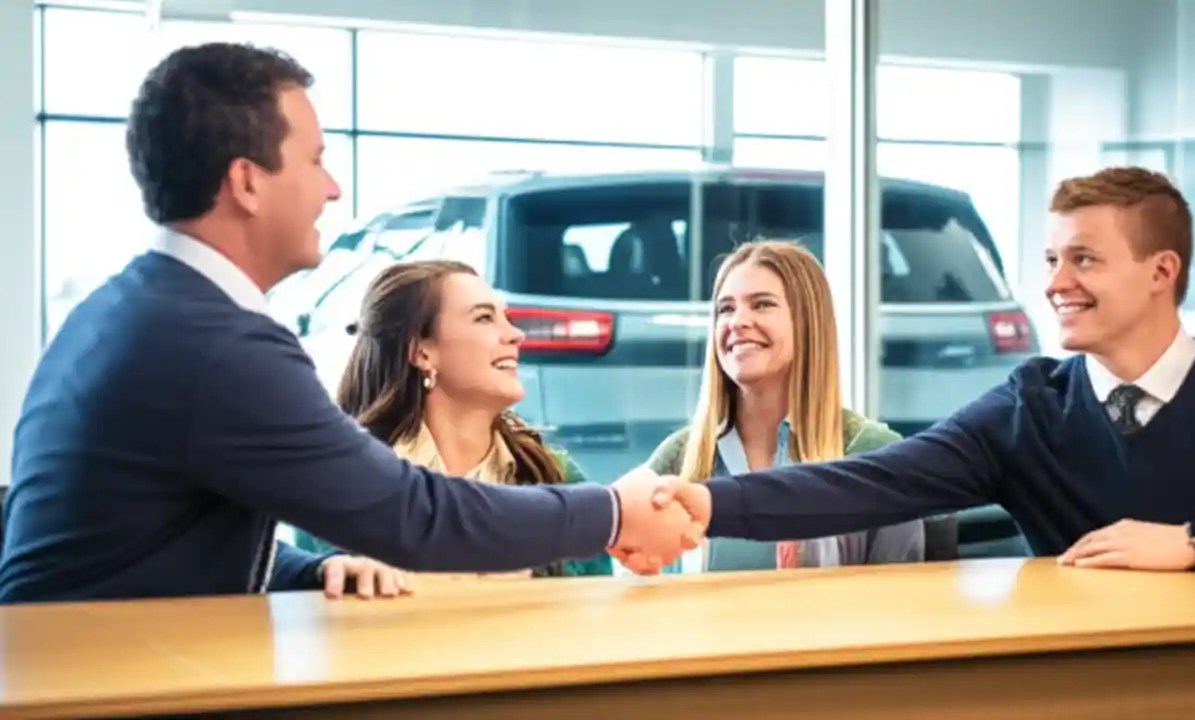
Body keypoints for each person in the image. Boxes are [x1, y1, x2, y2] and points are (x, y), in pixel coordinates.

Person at [0, 42, 697, 604]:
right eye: (315, 160)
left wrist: (309, 572)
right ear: (246, 182)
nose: (332, 188)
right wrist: (613, 512)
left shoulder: (127, 311)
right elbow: (412, 515)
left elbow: (161, 536)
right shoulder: (215, 345)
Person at [623, 166, 1195, 576]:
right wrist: (709, 499)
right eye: (1050, 259)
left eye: (1083, 259)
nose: (1055, 283)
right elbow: (869, 483)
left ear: (1162, 272)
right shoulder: (1027, 411)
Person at [293, 260, 613, 577]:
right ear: (421, 352)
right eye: (484, 318)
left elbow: (598, 611)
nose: (515, 334)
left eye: (507, 318)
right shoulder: (346, 486)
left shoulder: (555, 474)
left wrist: (532, 578)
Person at [646, 240, 923, 572]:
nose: (737, 322)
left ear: (808, 324)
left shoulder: (874, 454)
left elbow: (896, 606)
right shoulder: (679, 457)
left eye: (762, 305)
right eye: (726, 308)